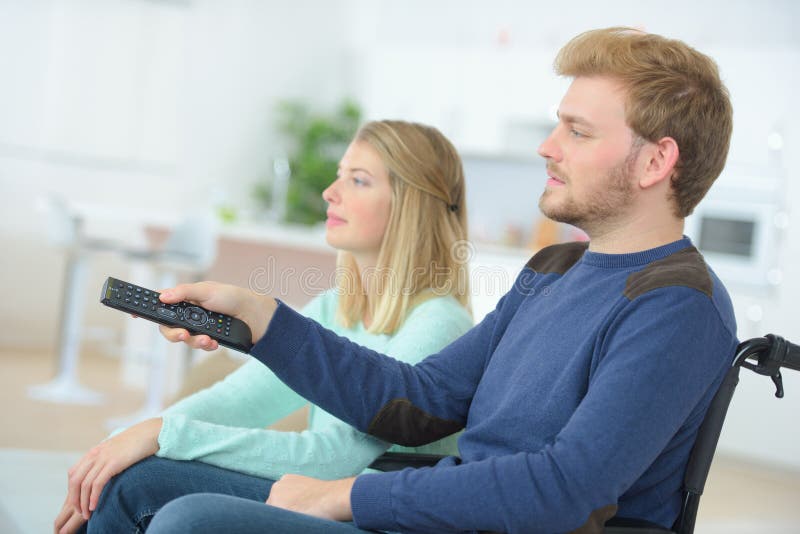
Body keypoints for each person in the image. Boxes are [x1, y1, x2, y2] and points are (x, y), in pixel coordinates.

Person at [147, 26, 737, 533]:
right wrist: (264, 321)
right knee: (141, 484)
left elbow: (564, 489)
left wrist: (347, 496)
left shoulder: (676, 306)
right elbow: (419, 402)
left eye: (577, 132)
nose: (547, 147)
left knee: (188, 521)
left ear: (656, 162)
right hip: (438, 513)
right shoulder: (554, 271)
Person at [53, 120, 474, 534]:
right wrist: (123, 444)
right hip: (317, 497)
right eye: (338, 176)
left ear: (411, 203)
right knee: (121, 475)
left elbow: (335, 458)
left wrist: (166, 434)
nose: (330, 193)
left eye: (358, 180)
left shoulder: (439, 323)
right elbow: (242, 399)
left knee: (137, 486)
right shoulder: (336, 307)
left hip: (379, 517)